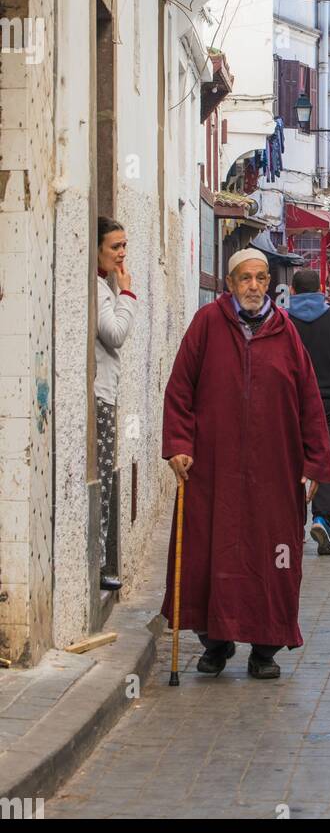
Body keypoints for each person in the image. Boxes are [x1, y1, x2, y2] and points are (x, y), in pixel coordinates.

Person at [160, 247, 330, 679]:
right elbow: (180, 389)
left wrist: (314, 464)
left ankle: (265, 648)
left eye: (260, 278)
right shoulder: (206, 325)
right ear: (230, 284)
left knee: (273, 557)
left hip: (274, 470)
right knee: (210, 553)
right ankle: (216, 644)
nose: (254, 286)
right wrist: (179, 444)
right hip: (212, 470)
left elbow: (310, 402)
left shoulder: (285, 331)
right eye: (245, 279)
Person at [286, 267, 330, 556]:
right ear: (320, 291)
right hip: (327, 402)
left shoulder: (283, 322)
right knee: (325, 459)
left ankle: (293, 526)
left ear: (292, 291)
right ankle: (322, 520)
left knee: (289, 460)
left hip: (291, 401)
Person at [95, 218, 137, 591]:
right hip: (99, 396)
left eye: (124, 246)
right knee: (103, 477)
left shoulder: (102, 285)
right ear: (96, 250)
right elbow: (114, 334)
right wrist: (127, 294)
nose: (122, 253)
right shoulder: (99, 288)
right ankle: (99, 569)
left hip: (104, 392)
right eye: (114, 247)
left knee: (107, 477)